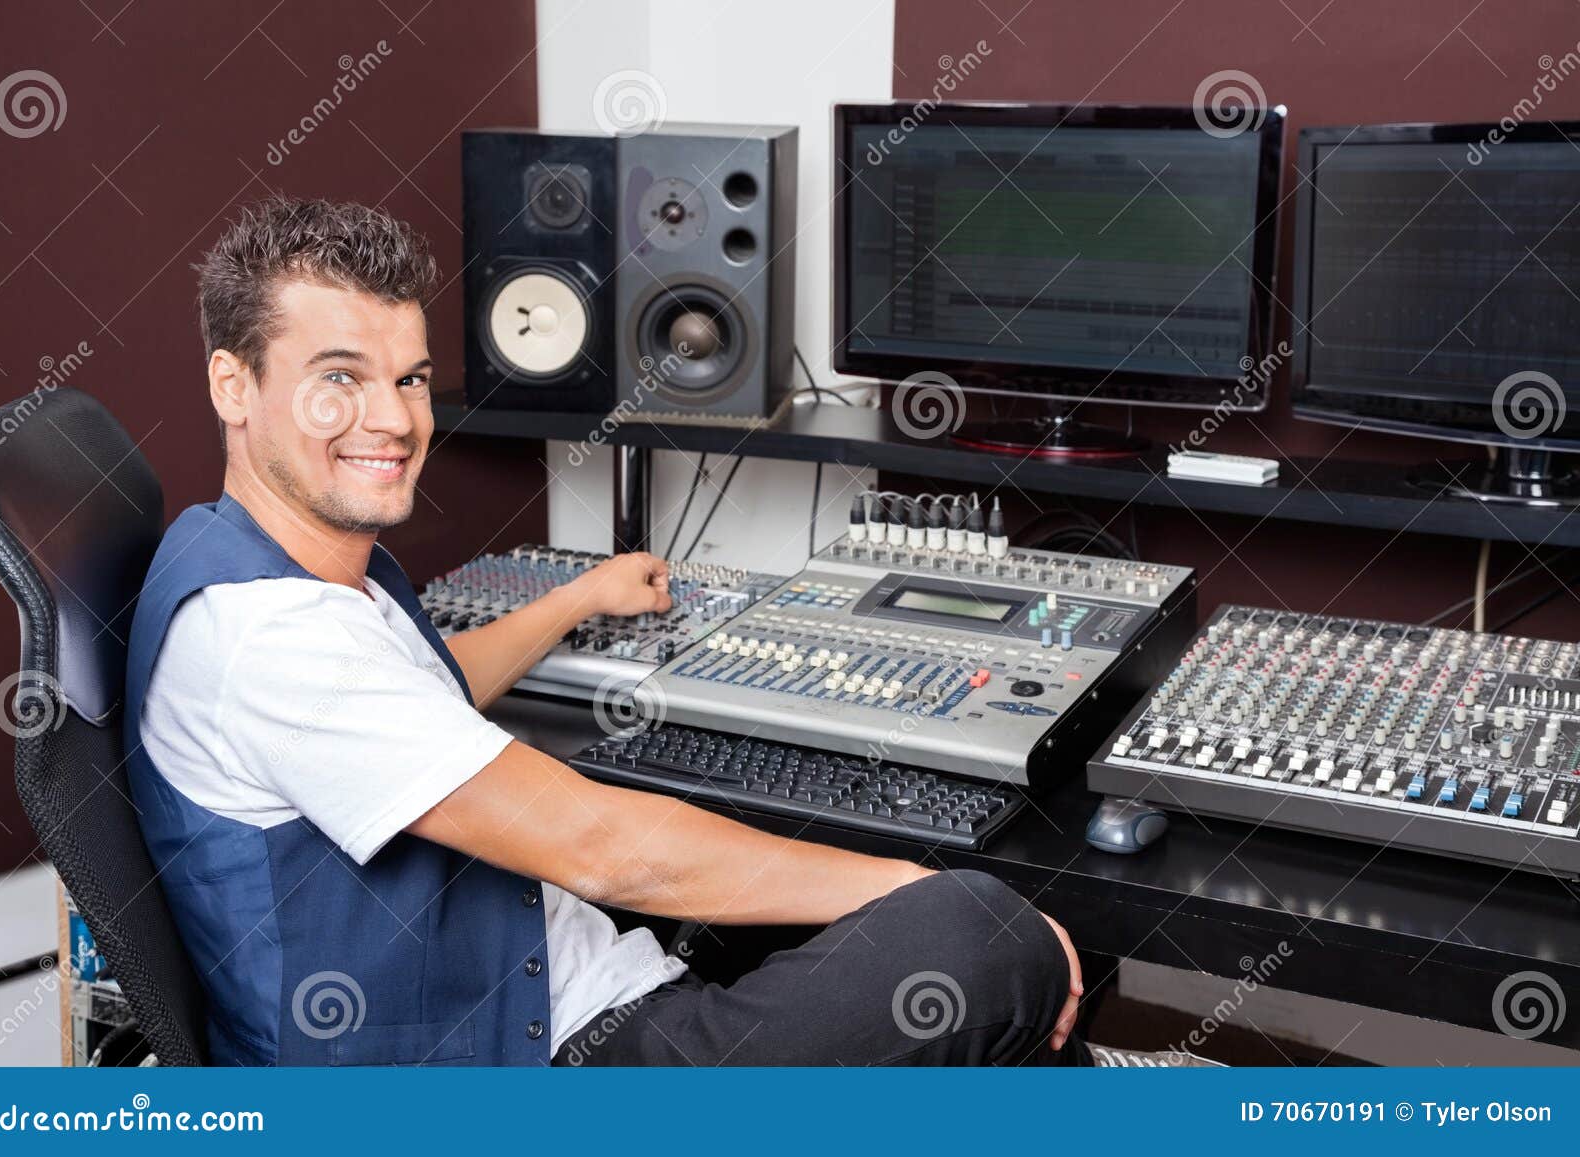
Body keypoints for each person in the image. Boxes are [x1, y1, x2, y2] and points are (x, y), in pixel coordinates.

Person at [125, 195, 1091, 1067]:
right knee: (976, 935)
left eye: (411, 379)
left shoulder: (261, 561)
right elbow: (603, 848)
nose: (392, 418)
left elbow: (425, 685)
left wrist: (576, 598)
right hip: (559, 1061)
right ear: (232, 385)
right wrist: (912, 889)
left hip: (566, 989)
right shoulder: (273, 637)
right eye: (340, 378)